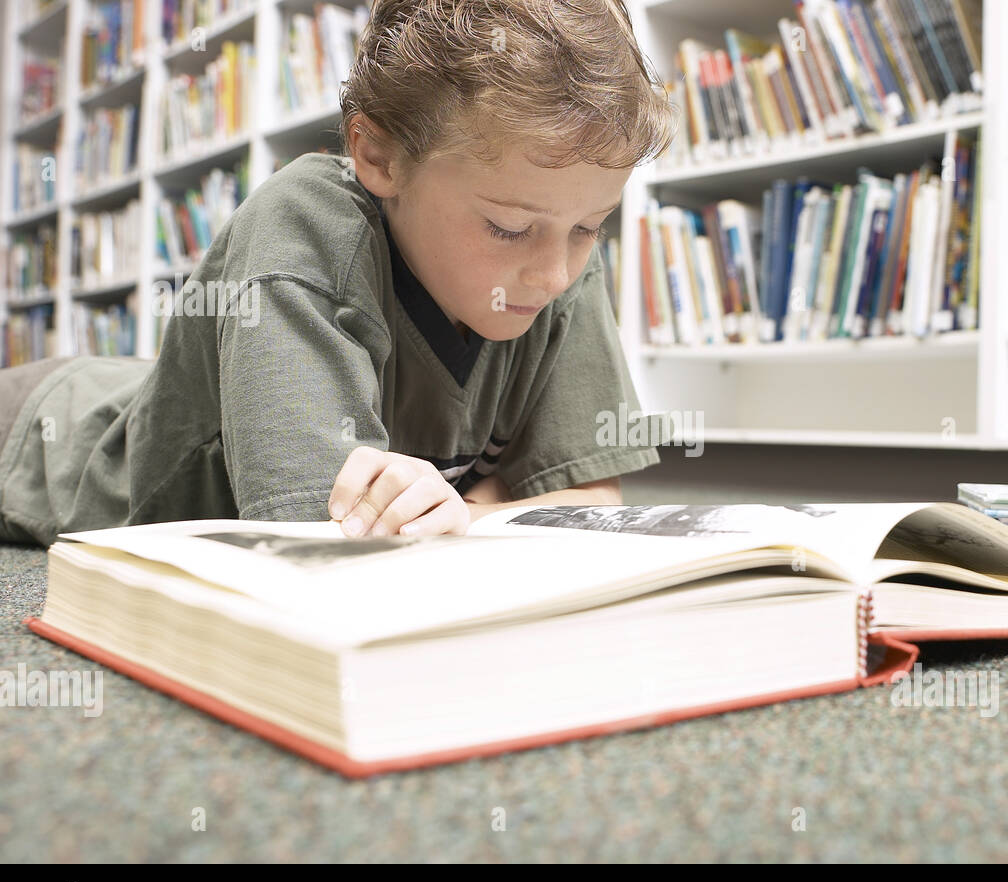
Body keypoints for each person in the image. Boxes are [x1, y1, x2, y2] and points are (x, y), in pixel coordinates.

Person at [0, 0, 676, 547]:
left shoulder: (551, 243)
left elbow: (594, 502)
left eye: (591, 228)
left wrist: (461, 516)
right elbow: (326, 540)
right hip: (39, 435)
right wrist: (495, 503)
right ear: (377, 154)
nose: (557, 272)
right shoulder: (302, 223)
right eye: (506, 227)